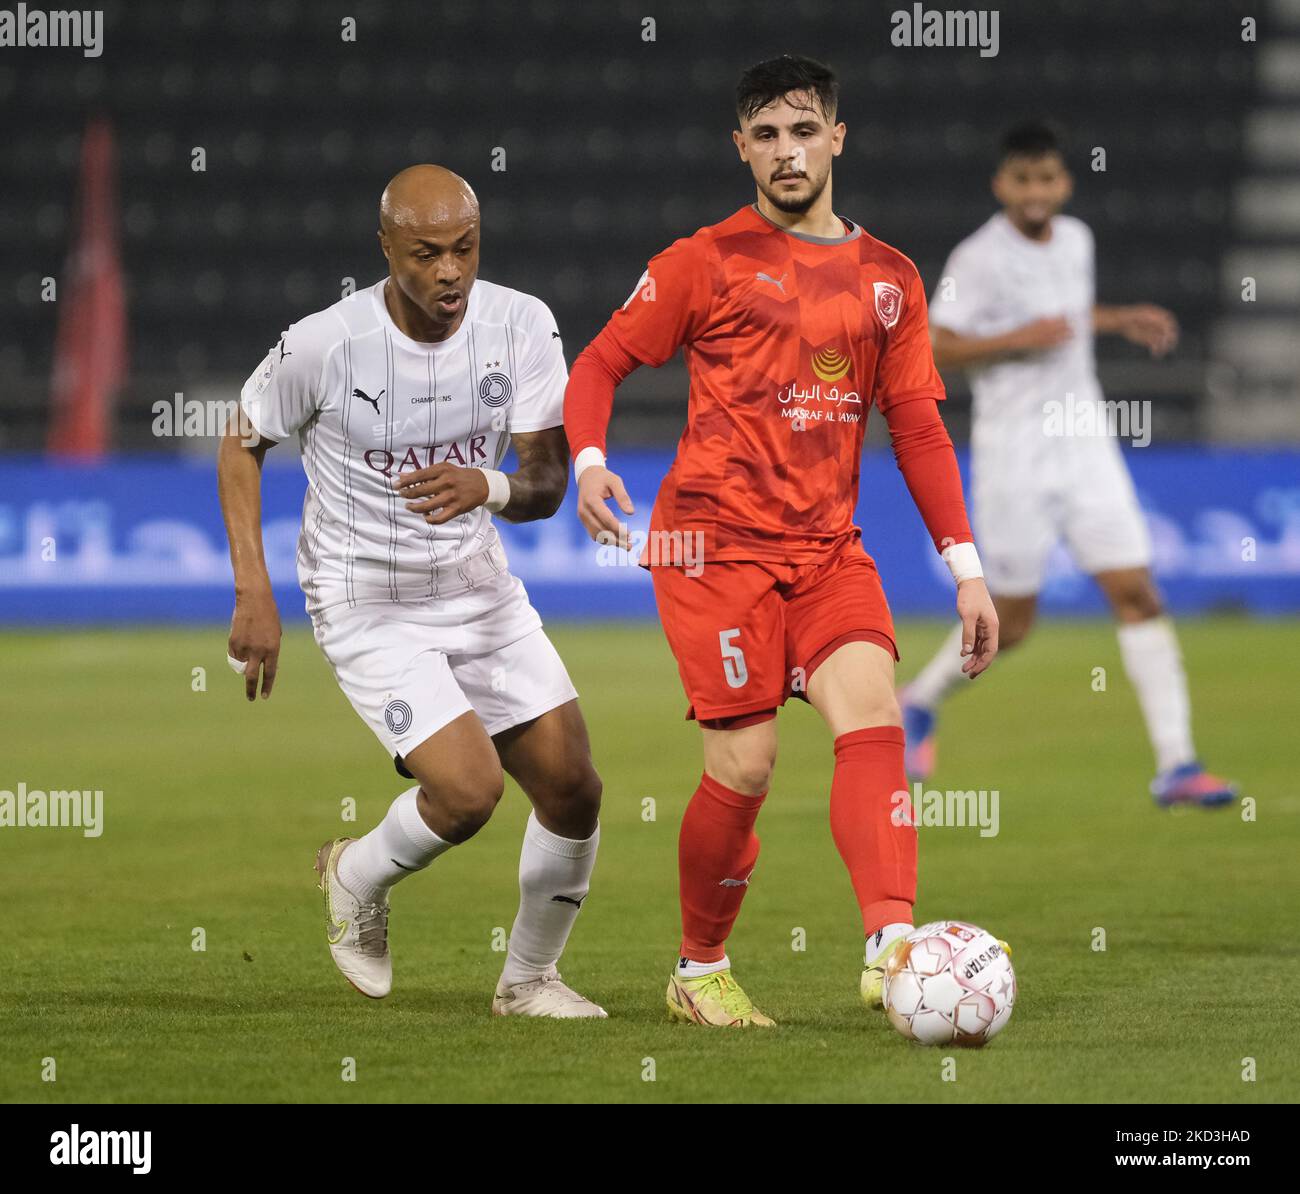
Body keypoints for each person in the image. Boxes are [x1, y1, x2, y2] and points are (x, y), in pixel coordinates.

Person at [563, 56, 1000, 1027]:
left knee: (873, 713)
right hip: (709, 553)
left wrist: (965, 570)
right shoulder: (702, 263)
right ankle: (698, 965)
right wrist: (590, 462)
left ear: (835, 138)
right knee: (746, 768)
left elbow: (919, 428)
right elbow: (598, 362)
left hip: (825, 549)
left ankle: (891, 940)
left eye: (802, 131)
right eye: (764, 135)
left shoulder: (888, 279)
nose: (786, 151)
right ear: (741, 148)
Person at [217, 165, 607, 1018]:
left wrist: (490, 486)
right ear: (385, 248)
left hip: (475, 585)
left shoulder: (522, 325)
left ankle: (528, 981)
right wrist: (254, 586)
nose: (449, 273)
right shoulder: (327, 342)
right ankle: (355, 875)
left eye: (464, 249)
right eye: (426, 253)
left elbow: (540, 481)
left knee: (574, 787)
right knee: (469, 792)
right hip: (366, 599)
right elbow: (241, 441)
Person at [901, 122, 1237, 809]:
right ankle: (920, 700)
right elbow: (934, 346)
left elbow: (1066, 314)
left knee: (1138, 593)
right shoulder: (977, 258)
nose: (1036, 191)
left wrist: (1116, 319)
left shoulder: (1077, 240)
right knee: (1014, 623)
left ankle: (1176, 764)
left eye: (1046, 178)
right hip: (1014, 457)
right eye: (1022, 179)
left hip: (1086, 446)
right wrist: (1017, 339)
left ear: (1064, 183)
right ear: (1003, 185)